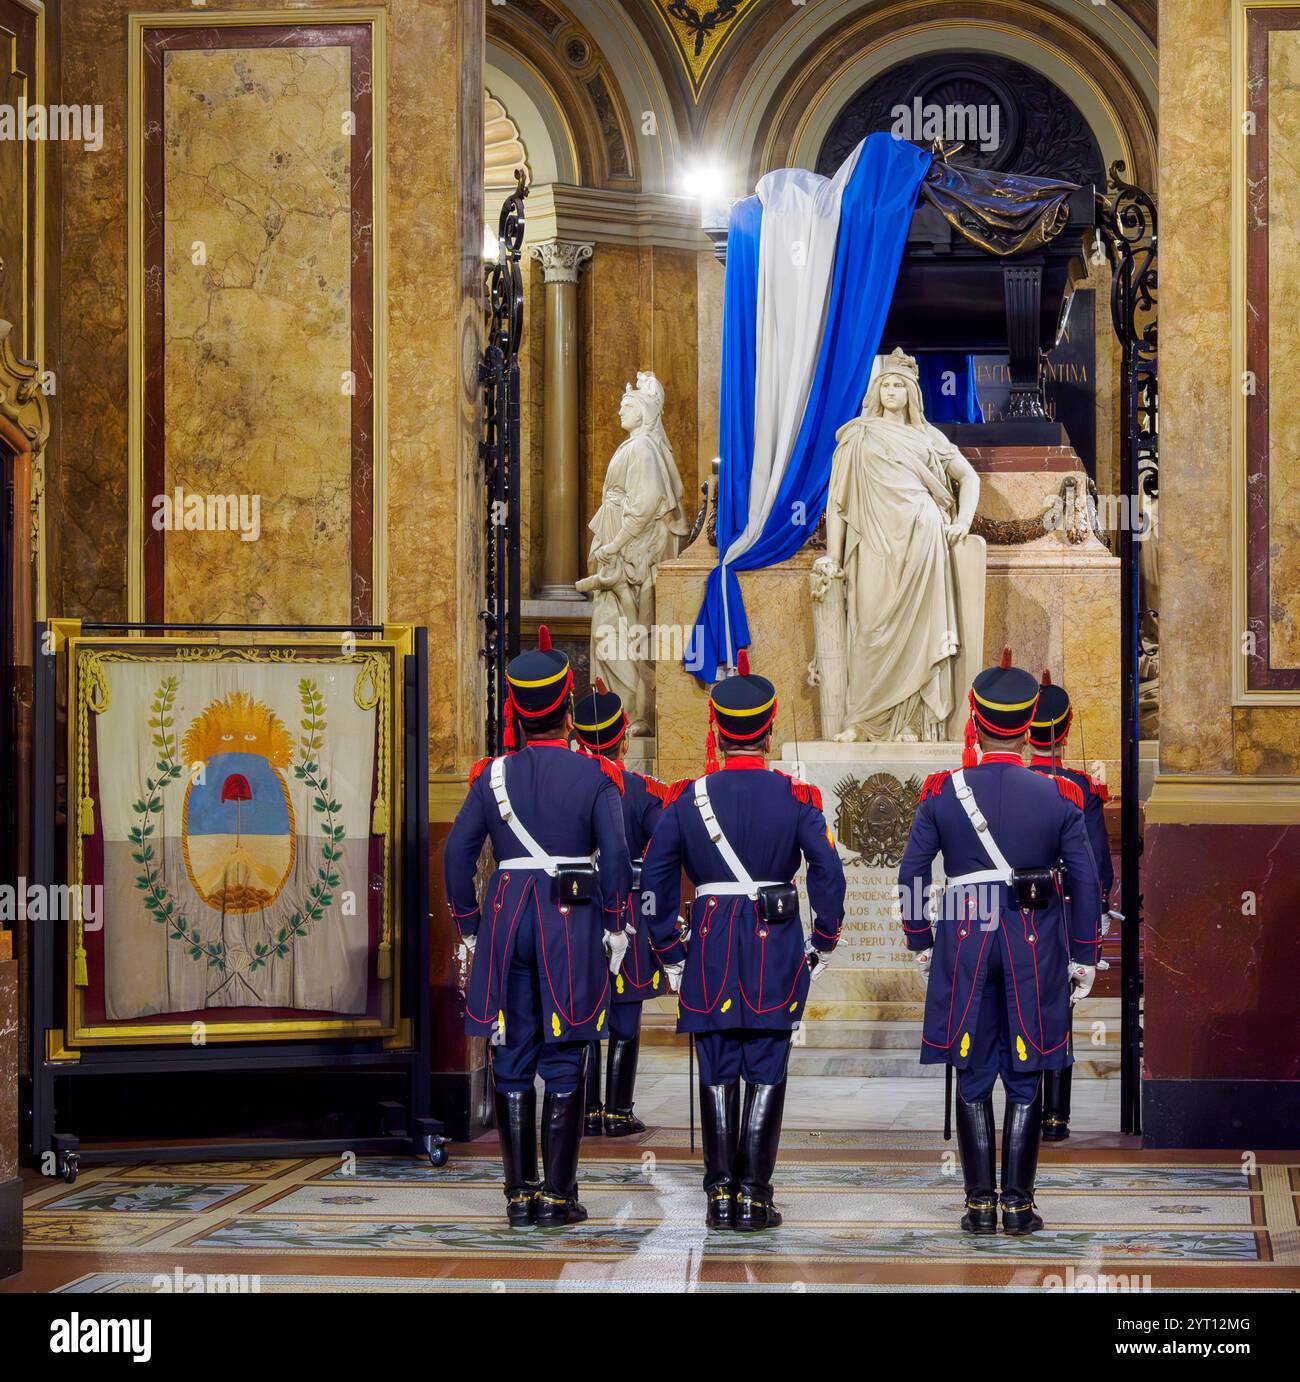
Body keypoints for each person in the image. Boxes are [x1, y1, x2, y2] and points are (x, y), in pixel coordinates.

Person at [898, 649, 1102, 1235]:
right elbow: (1085, 879)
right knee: (1026, 1066)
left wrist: (918, 939)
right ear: (1029, 720)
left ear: (976, 719)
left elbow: (912, 874)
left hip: (963, 935)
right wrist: (1085, 955)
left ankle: (977, 1204)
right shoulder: (1058, 797)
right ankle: (1018, 1204)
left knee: (972, 1067)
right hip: (1032, 938)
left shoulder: (943, 792)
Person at [640, 651, 846, 1231]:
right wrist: (822, 940)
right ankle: (755, 1195)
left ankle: (718, 1195)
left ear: (718, 730)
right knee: (767, 1064)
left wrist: (669, 951)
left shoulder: (687, 798)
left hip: (707, 942)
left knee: (715, 1065)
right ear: (770, 728)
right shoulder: (797, 798)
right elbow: (828, 872)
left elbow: (654, 879)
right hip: (774, 941)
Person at [443, 628, 632, 1227]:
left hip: (505, 916)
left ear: (518, 712)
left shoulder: (491, 777)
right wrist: (616, 924)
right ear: (567, 706)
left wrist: (471, 928)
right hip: (568, 919)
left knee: (511, 1053)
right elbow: (619, 858)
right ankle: (558, 1194)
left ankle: (518, 1196)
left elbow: (456, 854)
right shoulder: (596, 777)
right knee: (567, 1052)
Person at [572, 679, 669, 1138]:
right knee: (626, 1012)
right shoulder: (639, 790)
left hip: (574, 909)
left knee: (585, 1009)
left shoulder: (567, 782)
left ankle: (586, 1109)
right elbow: (666, 843)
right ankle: (618, 1110)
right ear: (623, 738)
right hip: (627, 910)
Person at [1026, 671, 1114, 1141]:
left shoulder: (1010, 783)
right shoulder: (1079, 788)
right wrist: (1095, 917)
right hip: (1062, 915)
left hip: (1017, 915)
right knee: (1058, 1012)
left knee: (1021, 1009)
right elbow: (1097, 867)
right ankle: (1055, 1118)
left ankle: (1026, 1106)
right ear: (1066, 729)